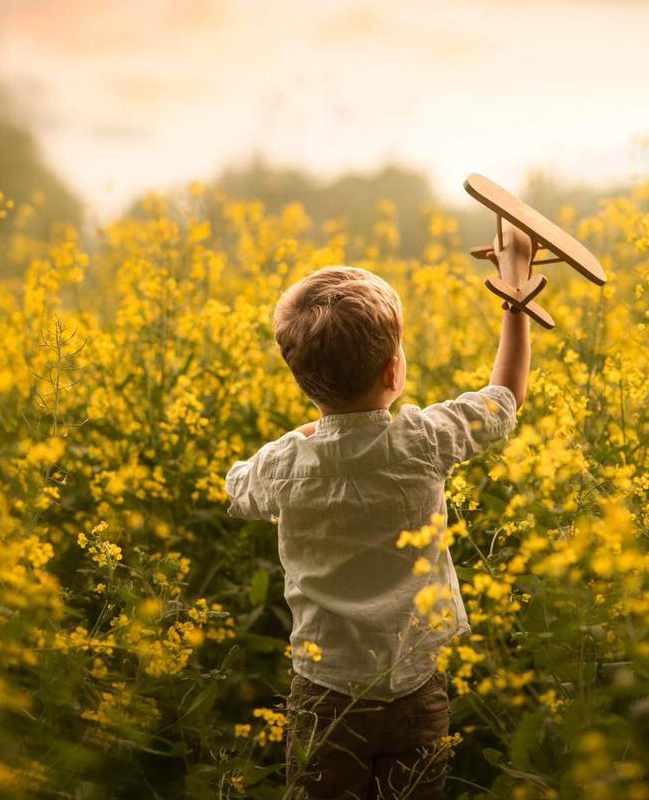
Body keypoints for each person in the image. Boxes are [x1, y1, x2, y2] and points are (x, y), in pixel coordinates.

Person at [225, 262, 529, 799]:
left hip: (324, 692)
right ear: (393, 372)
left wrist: (304, 434)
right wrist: (515, 309)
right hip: (414, 686)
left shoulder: (287, 465)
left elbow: (237, 488)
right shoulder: (423, 440)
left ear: (302, 381)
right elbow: (503, 398)